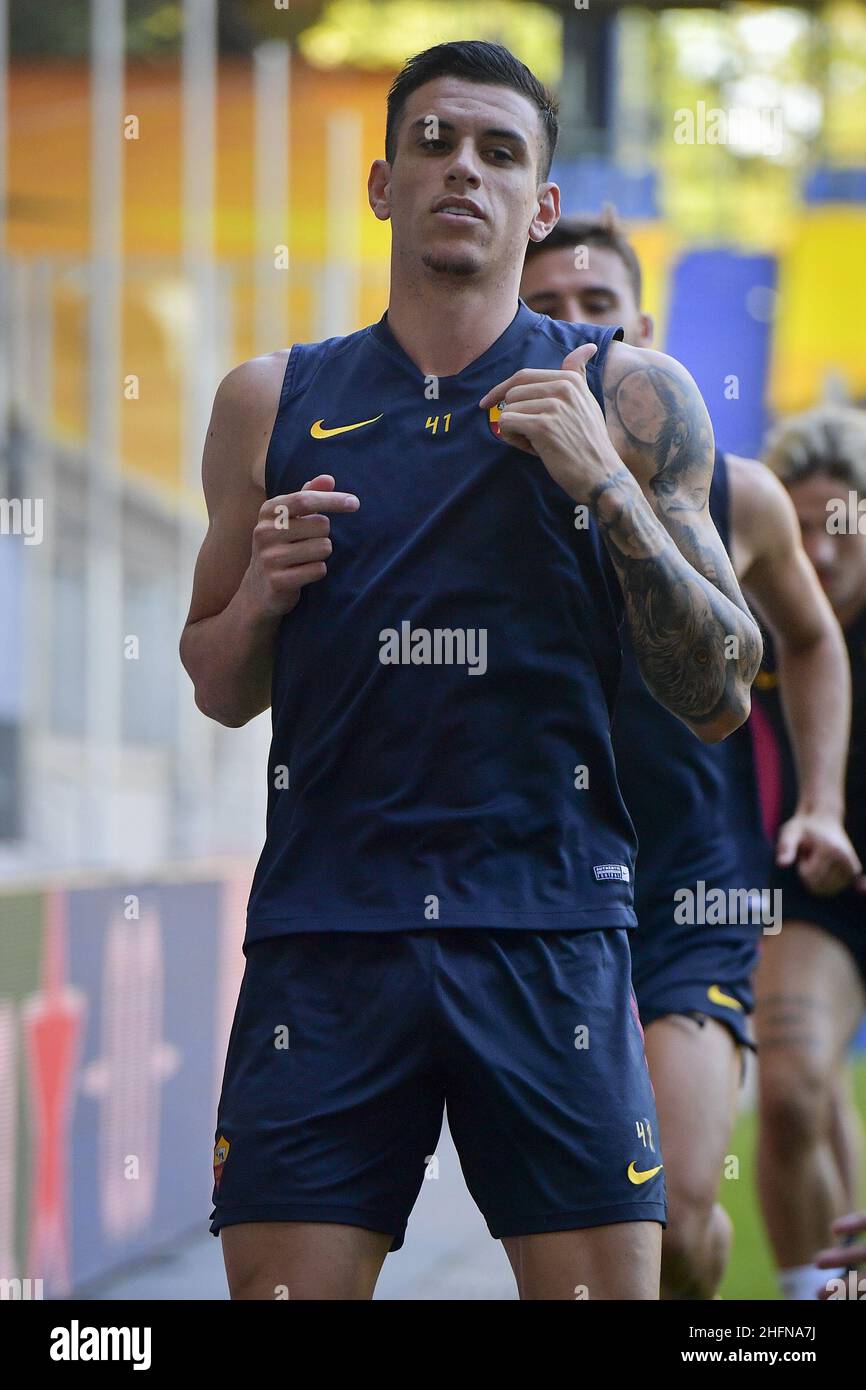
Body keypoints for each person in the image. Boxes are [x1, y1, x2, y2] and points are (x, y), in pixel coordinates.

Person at [180, 42, 762, 1301]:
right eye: (436, 143)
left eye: (501, 153)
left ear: (538, 205)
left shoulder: (626, 391)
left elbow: (721, 686)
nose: (465, 171)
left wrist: (606, 485)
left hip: (548, 926)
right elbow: (215, 681)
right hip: (326, 940)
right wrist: (265, 600)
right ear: (382, 184)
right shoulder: (268, 400)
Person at [521, 212, 861, 1298]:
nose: (572, 328)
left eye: (596, 307)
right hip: (526, 879)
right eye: (545, 309)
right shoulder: (460, 494)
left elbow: (808, 639)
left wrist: (820, 800)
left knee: (669, 1213)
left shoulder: (738, 494)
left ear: (645, 332)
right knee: (580, 1222)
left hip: (693, 890)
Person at [749, 405, 866, 1301]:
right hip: (817, 895)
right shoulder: (749, 631)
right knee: (792, 1090)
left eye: (842, 528)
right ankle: (808, 1311)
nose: (821, 556)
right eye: (803, 530)